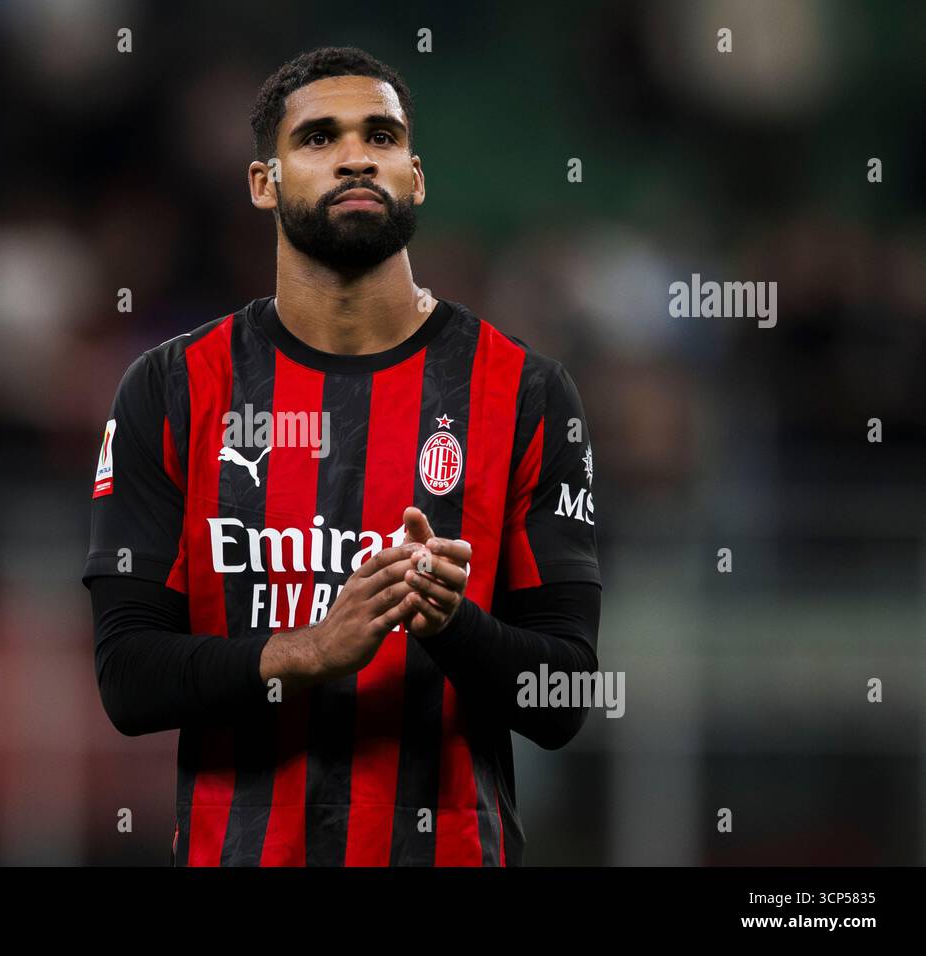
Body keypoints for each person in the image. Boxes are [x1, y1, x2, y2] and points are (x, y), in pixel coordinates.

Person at [83, 46, 601, 866]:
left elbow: (567, 696)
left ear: (416, 175)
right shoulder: (171, 391)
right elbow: (127, 678)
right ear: (264, 182)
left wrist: (450, 623)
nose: (356, 155)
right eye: (319, 137)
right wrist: (310, 651)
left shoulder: (526, 392)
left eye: (381, 136)